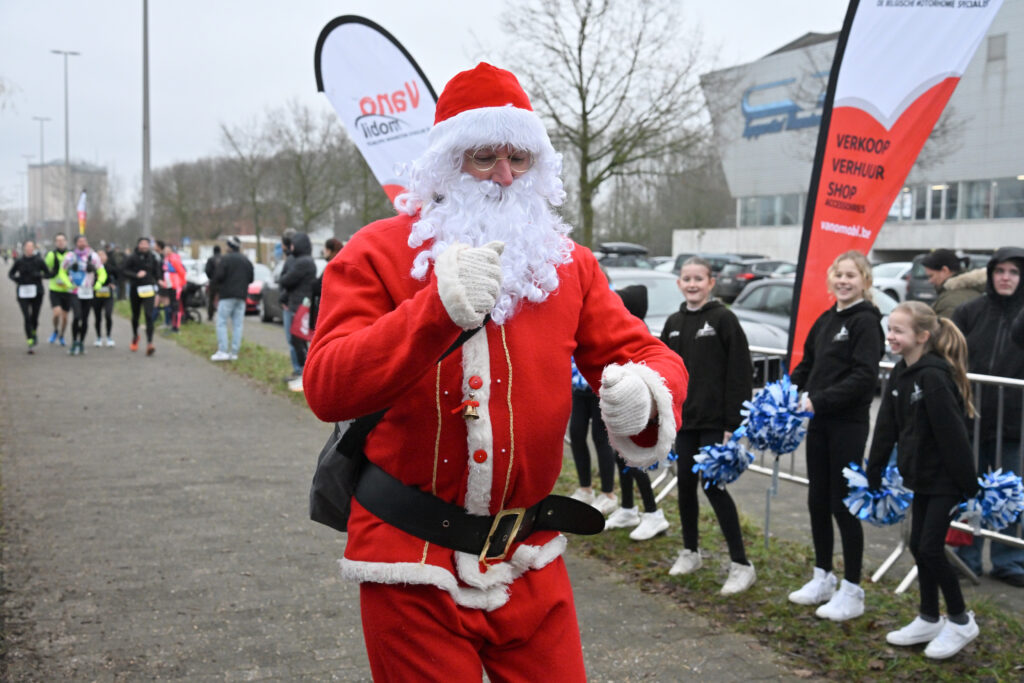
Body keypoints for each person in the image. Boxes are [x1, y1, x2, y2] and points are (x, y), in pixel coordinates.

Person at [303, 62, 687, 681]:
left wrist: (648, 395)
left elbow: (646, 355)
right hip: (411, 559)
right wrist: (435, 312)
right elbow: (328, 384)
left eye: (521, 159)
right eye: (484, 157)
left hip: (530, 559)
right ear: (448, 165)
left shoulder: (570, 266)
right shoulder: (375, 252)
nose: (505, 176)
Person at [866, 301, 980, 659]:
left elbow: (953, 434)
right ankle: (929, 616)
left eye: (899, 330)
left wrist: (969, 487)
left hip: (945, 478)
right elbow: (886, 426)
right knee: (918, 545)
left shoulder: (932, 376)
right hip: (921, 478)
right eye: (891, 328)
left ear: (922, 336)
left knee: (930, 547)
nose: (891, 336)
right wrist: (874, 469)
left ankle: (961, 620)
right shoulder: (901, 372)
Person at [789, 250, 884, 620]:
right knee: (817, 500)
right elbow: (807, 365)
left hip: (848, 424)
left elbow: (864, 377)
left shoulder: (866, 323)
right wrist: (785, 391)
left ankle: (853, 589)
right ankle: (822, 575)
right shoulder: (827, 319)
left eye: (852, 275)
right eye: (839, 274)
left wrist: (820, 400)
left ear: (865, 281)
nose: (844, 281)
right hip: (821, 422)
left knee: (844, 504)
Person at [659, 256, 755, 593]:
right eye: (687, 278)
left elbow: (740, 372)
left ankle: (741, 563)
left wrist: (734, 422)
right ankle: (690, 551)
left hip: (716, 423)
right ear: (679, 283)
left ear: (711, 283)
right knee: (684, 484)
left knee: (714, 488)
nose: (693, 284)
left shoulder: (724, 319)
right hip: (685, 422)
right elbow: (663, 375)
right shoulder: (672, 322)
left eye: (699, 278)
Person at [951, 246, 1024, 587]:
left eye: (1013, 272)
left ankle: (1008, 558)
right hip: (971, 419)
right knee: (970, 488)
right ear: (991, 274)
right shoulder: (969, 312)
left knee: (1009, 492)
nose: (1006, 278)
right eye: (1000, 271)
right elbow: (952, 359)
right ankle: (967, 556)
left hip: (1013, 423)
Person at [607, 284, 669, 542]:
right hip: (621, 407)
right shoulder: (621, 330)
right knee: (619, 457)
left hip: (638, 410)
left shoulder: (638, 333)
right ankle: (628, 508)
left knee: (633, 462)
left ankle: (654, 514)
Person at [567, 358, 620, 515]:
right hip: (578, 388)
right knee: (576, 435)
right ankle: (585, 489)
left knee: (601, 438)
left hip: (600, 388)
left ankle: (608, 494)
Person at [278, 232, 316, 392]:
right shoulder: (306, 261)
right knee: (298, 341)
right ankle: (303, 375)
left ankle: (305, 376)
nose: (290, 247)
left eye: (293, 244)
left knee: (298, 341)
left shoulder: (303, 263)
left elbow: (286, 280)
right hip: (300, 304)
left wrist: (285, 278)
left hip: (299, 306)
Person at [210, 236, 254, 362]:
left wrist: (216, 288)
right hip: (241, 296)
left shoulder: (226, 259)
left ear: (229, 246)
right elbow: (251, 278)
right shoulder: (246, 260)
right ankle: (234, 352)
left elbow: (218, 276)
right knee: (238, 324)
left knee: (221, 322)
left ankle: (223, 350)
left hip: (227, 295)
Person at [61, 234, 107, 356]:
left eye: (84, 241)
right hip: (74, 291)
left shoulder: (93, 256)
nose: (82, 243)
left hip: (88, 291)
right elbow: (61, 272)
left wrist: (98, 284)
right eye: (80, 241)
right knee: (77, 316)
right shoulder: (70, 256)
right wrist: (67, 283)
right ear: (76, 243)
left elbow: (102, 273)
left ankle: (81, 342)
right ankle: (74, 342)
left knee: (85, 318)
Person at [122, 237, 161, 356]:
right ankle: (135, 336)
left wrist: (159, 281)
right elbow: (124, 270)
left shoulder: (153, 257)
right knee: (136, 316)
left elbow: (158, 273)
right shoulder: (132, 257)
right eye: (142, 244)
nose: (144, 246)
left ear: (149, 246)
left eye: (146, 244)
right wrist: (136, 275)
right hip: (135, 289)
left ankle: (150, 343)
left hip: (149, 289)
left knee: (149, 315)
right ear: (138, 245)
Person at [8, 240, 49, 353]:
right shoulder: (19, 261)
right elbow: (10, 274)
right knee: (26, 317)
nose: (29, 249)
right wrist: (16, 279)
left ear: (34, 248)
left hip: (37, 292)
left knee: (34, 317)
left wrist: (40, 275)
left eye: (31, 247)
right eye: (27, 247)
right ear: (24, 248)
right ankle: (30, 340)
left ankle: (34, 331)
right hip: (23, 292)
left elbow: (48, 273)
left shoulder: (39, 260)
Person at [921, 249, 985, 319]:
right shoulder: (971, 288)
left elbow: (946, 329)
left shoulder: (949, 302)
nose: (930, 281)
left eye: (931, 276)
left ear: (945, 270)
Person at [277, 228, 302, 382]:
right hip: (292, 303)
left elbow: (288, 282)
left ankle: (298, 370)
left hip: (290, 305)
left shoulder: (292, 260)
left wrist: (283, 299)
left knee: (293, 339)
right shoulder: (296, 259)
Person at [44, 233, 73, 346]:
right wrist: (49, 273)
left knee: (65, 317)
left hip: (67, 289)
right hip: (55, 288)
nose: (60, 242)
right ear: (55, 242)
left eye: (62, 240)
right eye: (58, 240)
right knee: (57, 313)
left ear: (66, 242)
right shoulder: (51, 255)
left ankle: (62, 335)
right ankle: (55, 330)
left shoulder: (71, 255)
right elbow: (45, 268)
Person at [308, 237, 342, 335]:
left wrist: (313, 284)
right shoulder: (332, 266)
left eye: (326, 249)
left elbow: (323, 286)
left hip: (327, 312)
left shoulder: (334, 267)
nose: (324, 252)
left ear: (332, 251)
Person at [155, 240, 186, 331]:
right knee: (172, 306)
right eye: (165, 249)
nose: (165, 251)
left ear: (171, 250)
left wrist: (181, 284)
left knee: (175, 306)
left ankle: (176, 327)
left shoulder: (174, 259)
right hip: (169, 285)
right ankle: (172, 325)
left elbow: (182, 272)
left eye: (167, 249)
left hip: (175, 285)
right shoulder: (166, 259)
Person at [92, 249, 116, 347]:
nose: (101, 257)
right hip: (96, 295)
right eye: (99, 255)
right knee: (97, 317)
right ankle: (98, 337)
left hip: (108, 295)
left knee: (108, 314)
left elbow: (117, 277)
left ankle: (109, 336)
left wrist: (114, 284)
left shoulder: (111, 267)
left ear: (106, 257)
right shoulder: (93, 268)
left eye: (103, 255)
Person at [204, 245, 222, 321]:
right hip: (222, 282)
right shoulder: (224, 259)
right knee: (222, 300)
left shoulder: (211, 259)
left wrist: (211, 277)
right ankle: (222, 315)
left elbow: (207, 270)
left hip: (213, 282)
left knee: (211, 299)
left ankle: (210, 315)